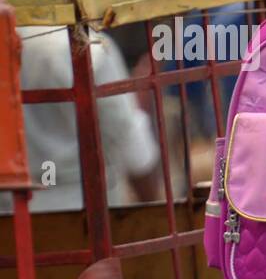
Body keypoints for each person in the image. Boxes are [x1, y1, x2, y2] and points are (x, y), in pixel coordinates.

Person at [0, 26, 160, 214]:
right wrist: (155, 211)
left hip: (10, 217)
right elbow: (130, 142)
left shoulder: (8, 41)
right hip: (84, 216)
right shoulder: (90, 49)